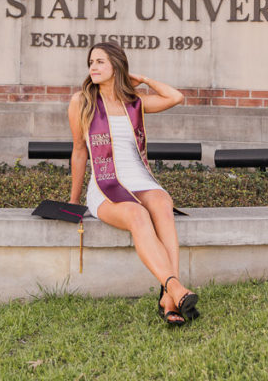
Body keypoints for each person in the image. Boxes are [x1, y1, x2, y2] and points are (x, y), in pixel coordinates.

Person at [68, 41, 198, 327]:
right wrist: (73, 200)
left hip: (139, 178)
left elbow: (175, 96)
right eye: (91, 61)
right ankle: (175, 289)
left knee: (163, 204)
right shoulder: (82, 101)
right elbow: (79, 150)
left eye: (100, 61)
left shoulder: (134, 102)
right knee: (138, 214)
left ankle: (168, 295)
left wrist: (143, 81)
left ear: (116, 66)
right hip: (106, 185)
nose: (93, 67)